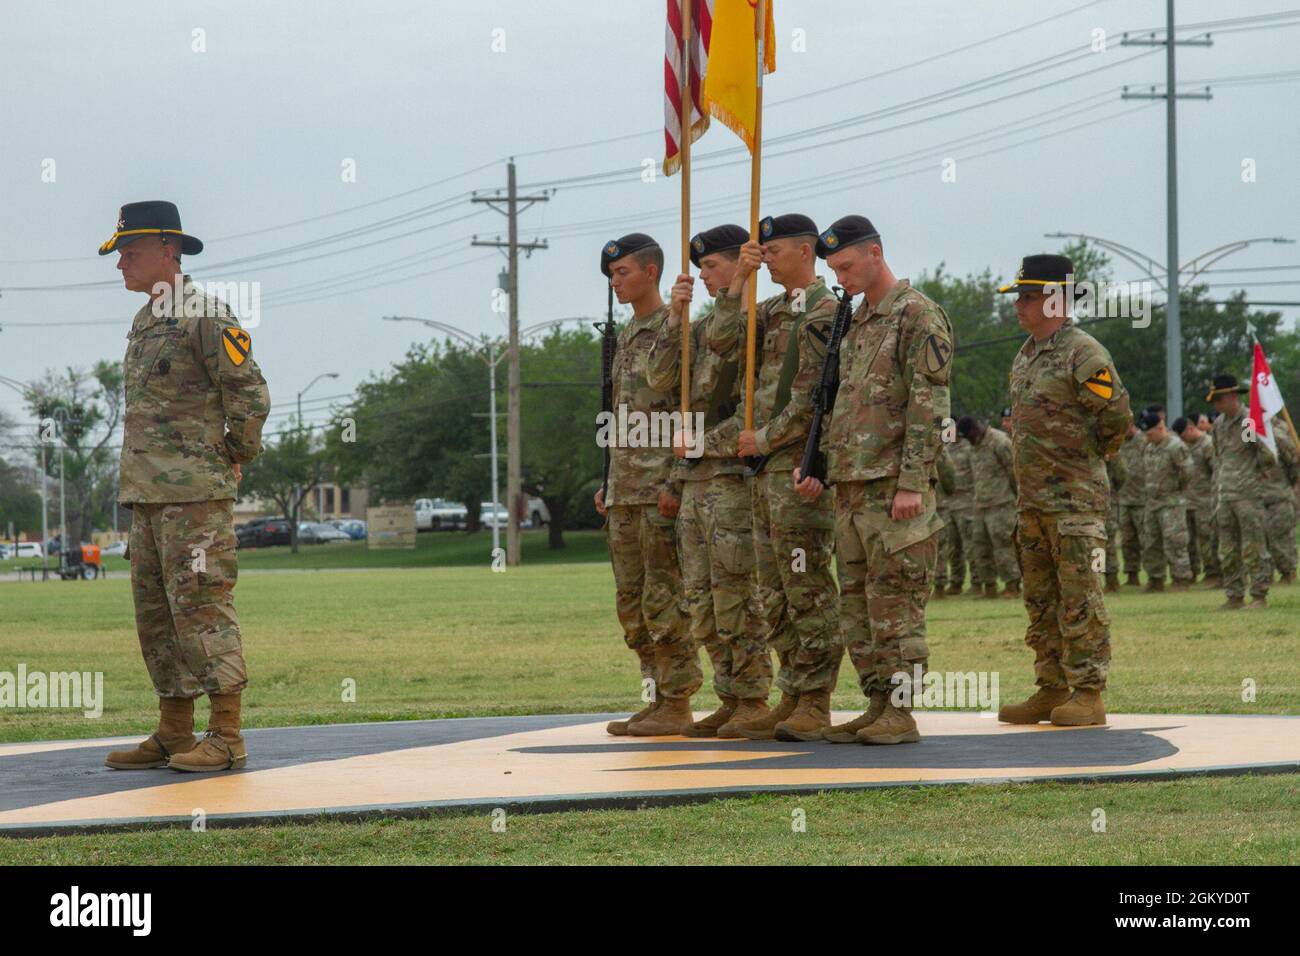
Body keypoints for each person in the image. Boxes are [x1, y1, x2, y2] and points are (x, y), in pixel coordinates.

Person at [100, 201, 269, 773]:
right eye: (120, 252)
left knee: (201, 609)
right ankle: (175, 730)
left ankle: (226, 736)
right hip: (148, 498)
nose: (121, 262)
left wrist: (233, 456)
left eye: (130, 250)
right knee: (156, 615)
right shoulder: (147, 319)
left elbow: (249, 395)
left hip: (195, 499)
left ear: (168, 250)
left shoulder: (206, 315)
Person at [794, 214, 953, 745]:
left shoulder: (917, 315)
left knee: (895, 607)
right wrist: (821, 468)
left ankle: (901, 714)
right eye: (833, 270)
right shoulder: (857, 320)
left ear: (876, 253)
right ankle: (877, 702)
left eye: (845, 265)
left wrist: (913, 481)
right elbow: (841, 405)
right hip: (852, 489)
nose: (839, 277)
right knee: (857, 607)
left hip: (894, 490)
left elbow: (928, 406)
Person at [699, 214, 842, 741]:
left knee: (806, 588)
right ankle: (792, 693)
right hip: (761, 471)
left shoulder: (826, 311)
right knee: (775, 592)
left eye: (774, 251)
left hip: (794, 465)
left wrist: (765, 438)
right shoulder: (771, 311)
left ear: (805, 251)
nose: (767, 259)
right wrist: (737, 281)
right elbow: (719, 343)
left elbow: (810, 400)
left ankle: (816, 699)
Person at [647, 224, 773, 736]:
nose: (703, 277)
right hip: (697, 478)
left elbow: (727, 341)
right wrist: (675, 314)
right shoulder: (699, 323)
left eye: (712, 267)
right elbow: (660, 376)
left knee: (735, 592)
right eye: (699, 271)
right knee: (700, 598)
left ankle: (753, 697)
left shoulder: (751, 318)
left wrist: (739, 284)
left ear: (739, 264)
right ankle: (729, 694)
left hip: (731, 478)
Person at [994, 254, 1130, 727]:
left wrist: (1085, 462)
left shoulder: (1084, 353)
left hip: (1074, 503)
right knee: (1041, 601)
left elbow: (1115, 417)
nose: (1019, 306)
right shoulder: (1027, 354)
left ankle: (1088, 693)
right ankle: (1050, 688)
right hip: (1032, 505)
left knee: (1080, 599)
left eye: (1028, 297)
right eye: (1019, 298)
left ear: (1057, 299)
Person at [596, 233, 700, 736]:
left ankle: (677, 702)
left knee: (665, 600)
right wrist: (607, 480)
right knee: (632, 603)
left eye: (623, 273)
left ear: (651, 272)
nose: (616, 282)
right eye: (612, 276)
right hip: (624, 490)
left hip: (657, 487)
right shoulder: (626, 334)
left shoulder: (675, 328)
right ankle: (656, 696)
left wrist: (678, 481)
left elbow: (689, 410)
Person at [1207, 374, 1274, 610]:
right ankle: (1234, 595)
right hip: (1225, 495)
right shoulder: (1219, 424)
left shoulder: (1248, 421)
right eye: (1215, 401)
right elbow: (1219, 457)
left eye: (1220, 399)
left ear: (1233, 397)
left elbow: (1264, 453)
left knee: (1253, 546)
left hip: (1247, 494)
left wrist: (1256, 473)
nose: (1216, 405)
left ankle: (1258, 595)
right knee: (1227, 549)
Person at [957, 417, 1021, 598]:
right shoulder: (973, 444)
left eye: (968, 436)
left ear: (976, 429)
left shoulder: (1000, 442)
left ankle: (1012, 585)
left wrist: (1017, 498)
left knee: (1003, 545)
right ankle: (989, 586)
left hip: (1001, 503)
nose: (967, 441)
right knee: (979, 546)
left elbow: (1013, 471)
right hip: (980, 504)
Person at [1138, 410, 1195, 591]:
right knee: (1151, 543)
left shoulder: (1175, 446)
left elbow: (1188, 472)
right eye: (1145, 434)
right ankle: (1155, 579)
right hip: (1152, 503)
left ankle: (1181, 579)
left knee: (1175, 542)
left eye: (1150, 433)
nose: (1148, 437)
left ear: (1160, 427)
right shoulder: (1149, 448)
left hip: (1171, 502)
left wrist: (1175, 489)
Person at [1172, 416, 1222, 586]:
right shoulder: (1184, 446)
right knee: (1189, 541)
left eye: (1183, 435)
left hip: (1205, 500)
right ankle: (1192, 572)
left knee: (1207, 539)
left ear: (1191, 429)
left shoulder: (1207, 444)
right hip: (1187, 501)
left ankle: (1213, 573)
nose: (1182, 439)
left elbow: (1216, 471)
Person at [1259, 423, 1299, 584]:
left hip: (1278, 493)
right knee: (1259, 540)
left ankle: (1287, 573)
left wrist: (1291, 485)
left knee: (1280, 538)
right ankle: (1264, 575)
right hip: (1255, 495)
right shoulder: (1247, 434)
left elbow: (1294, 465)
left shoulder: (1277, 436)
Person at [1116, 421, 1147, 586]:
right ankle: (1132, 575)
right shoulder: (1119, 443)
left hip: (1142, 498)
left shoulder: (1144, 441)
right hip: (1124, 498)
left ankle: (1155, 577)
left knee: (1146, 539)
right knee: (1127, 540)